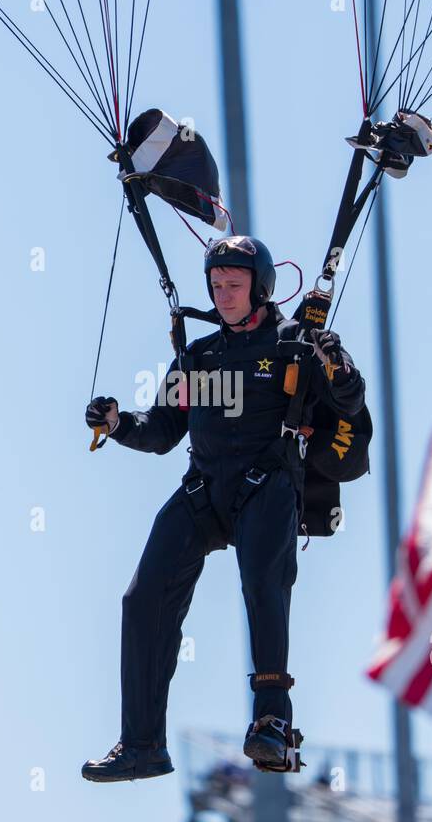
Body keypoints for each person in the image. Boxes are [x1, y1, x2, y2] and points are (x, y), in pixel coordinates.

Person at [80, 235, 366, 782]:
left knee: (263, 584)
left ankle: (272, 724)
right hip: (203, 492)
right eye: (216, 286)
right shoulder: (199, 356)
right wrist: (116, 423)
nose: (224, 295)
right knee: (142, 597)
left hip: (267, 486)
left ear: (260, 287)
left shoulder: (297, 344)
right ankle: (142, 744)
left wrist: (337, 362)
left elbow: (349, 402)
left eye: (234, 285)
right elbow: (162, 430)